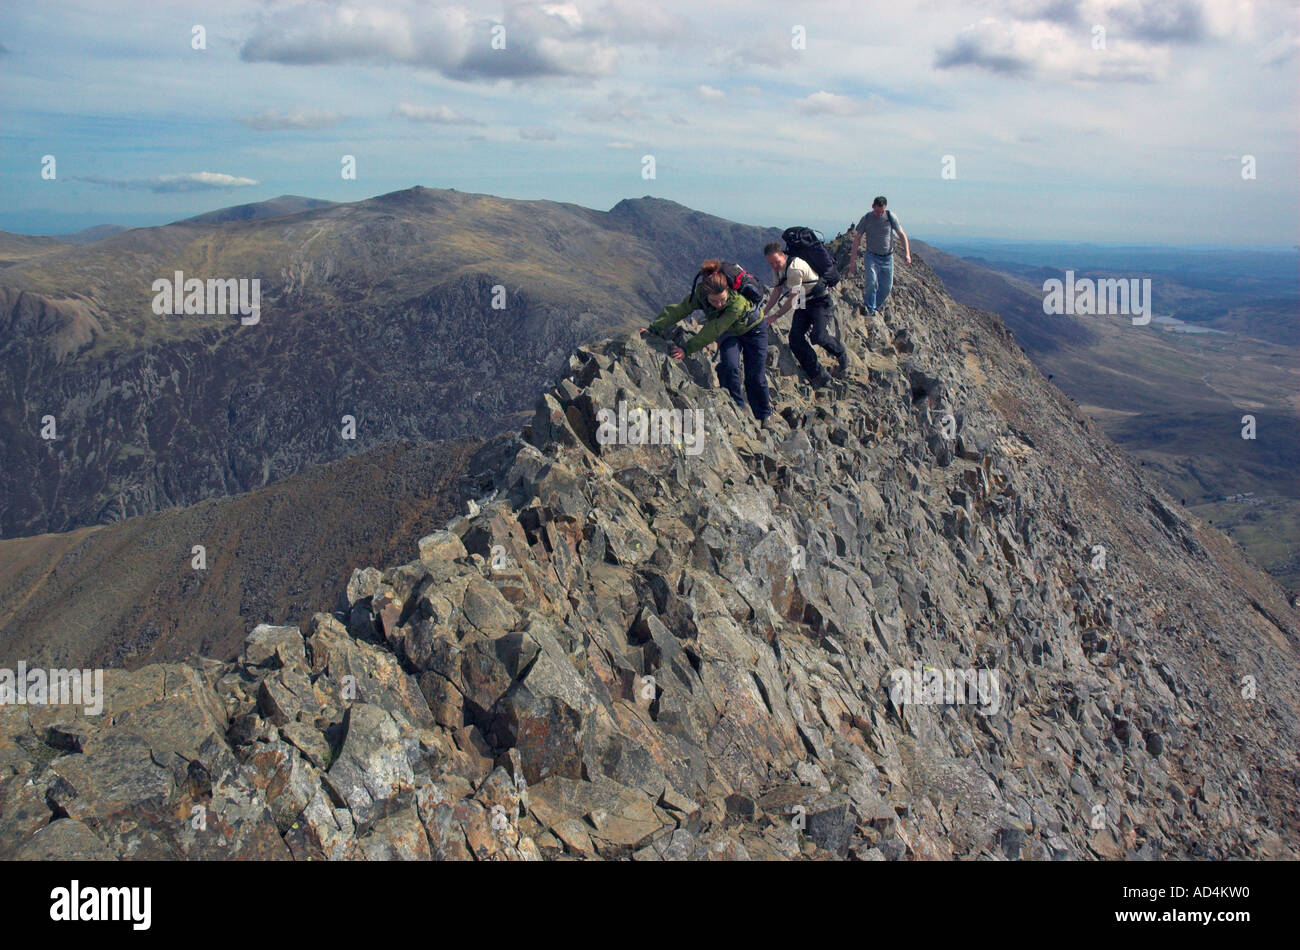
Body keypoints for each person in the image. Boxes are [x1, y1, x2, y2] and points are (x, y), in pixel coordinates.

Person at [641, 260, 771, 426]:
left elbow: (714, 329)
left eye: (722, 300)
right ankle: (736, 407)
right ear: (705, 293)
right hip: (730, 332)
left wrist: (686, 349)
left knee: (755, 375)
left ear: (728, 290)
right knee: (730, 366)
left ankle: (763, 416)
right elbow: (679, 309)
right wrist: (654, 328)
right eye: (714, 301)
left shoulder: (737, 303)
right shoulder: (700, 295)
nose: (719, 304)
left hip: (754, 330)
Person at [761, 241, 847, 386]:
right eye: (771, 264)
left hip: (820, 300)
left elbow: (792, 298)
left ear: (783, 255)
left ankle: (840, 352)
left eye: (776, 262)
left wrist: (776, 316)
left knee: (818, 337)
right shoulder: (779, 268)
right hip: (803, 300)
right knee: (795, 339)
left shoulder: (794, 268)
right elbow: (777, 290)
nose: (774, 266)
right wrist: (764, 313)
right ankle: (818, 374)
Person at [848, 196, 911, 315]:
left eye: (881, 211)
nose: (879, 214)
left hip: (888, 258)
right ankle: (870, 309)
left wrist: (907, 254)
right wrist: (852, 262)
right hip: (871, 256)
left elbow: (901, 235)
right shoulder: (867, 218)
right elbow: (857, 239)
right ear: (873, 206)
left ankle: (875, 306)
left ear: (885, 208)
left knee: (887, 287)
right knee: (871, 283)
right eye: (877, 211)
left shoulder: (890, 217)